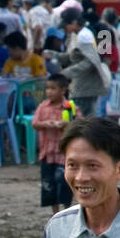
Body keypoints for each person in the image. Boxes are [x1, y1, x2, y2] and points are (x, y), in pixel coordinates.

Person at [33, 72, 78, 212]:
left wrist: (67, 124)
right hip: (47, 154)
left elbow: (79, 125)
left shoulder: (70, 107)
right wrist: (47, 123)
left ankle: (67, 211)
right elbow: (35, 123)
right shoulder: (43, 107)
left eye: (53, 88)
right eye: (47, 88)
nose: (49, 92)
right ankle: (55, 214)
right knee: (49, 185)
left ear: (63, 90)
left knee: (65, 184)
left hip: (64, 155)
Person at [53, 8, 107, 117]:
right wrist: (54, 55)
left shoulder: (84, 36)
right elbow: (73, 57)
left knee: (74, 118)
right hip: (80, 86)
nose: (64, 29)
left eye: (65, 25)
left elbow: (90, 61)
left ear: (74, 22)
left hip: (84, 87)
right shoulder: (77, 35)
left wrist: (66, 72)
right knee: (80, 119)